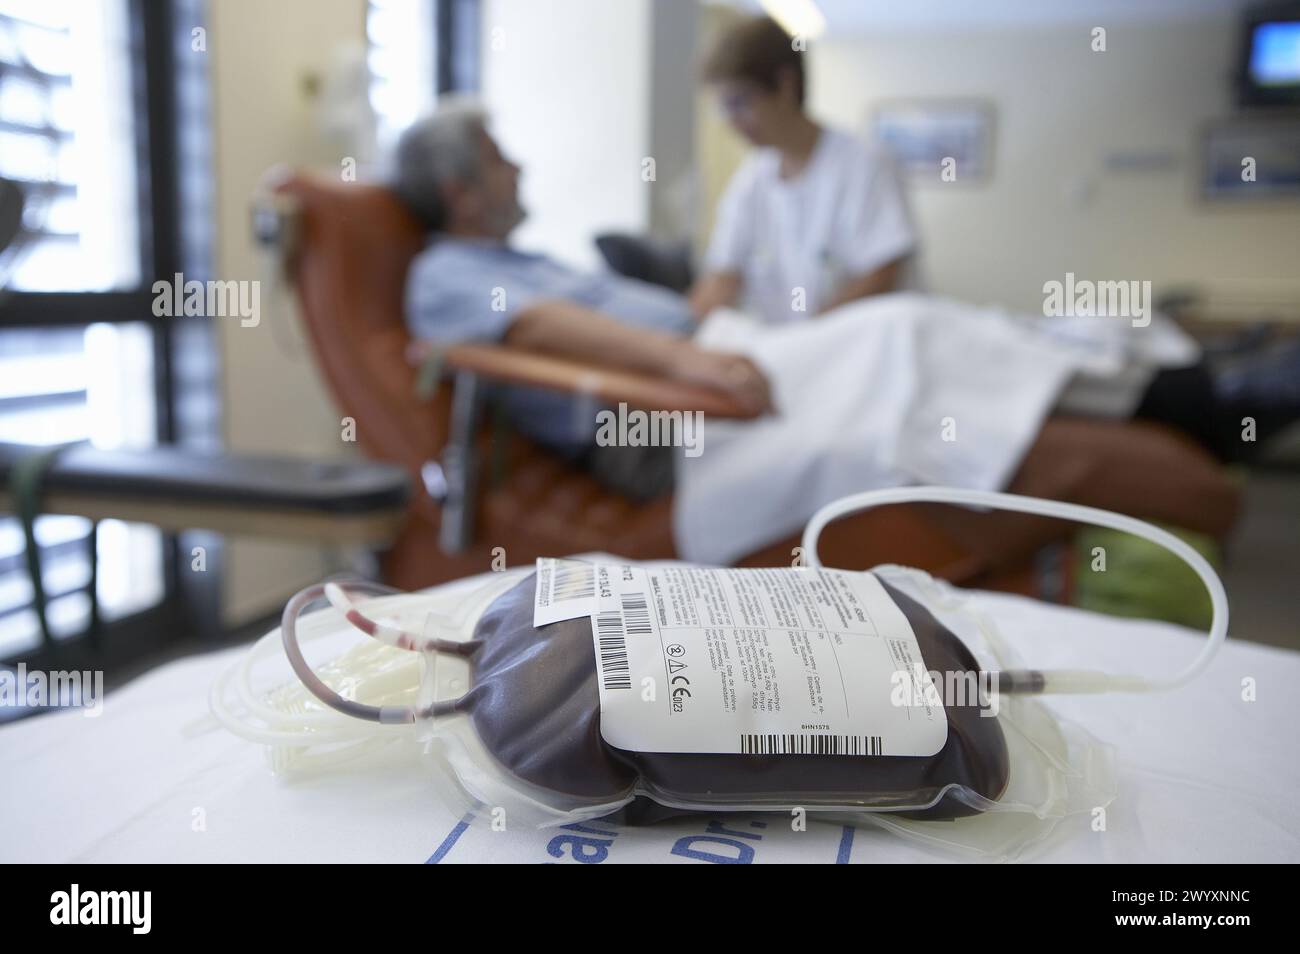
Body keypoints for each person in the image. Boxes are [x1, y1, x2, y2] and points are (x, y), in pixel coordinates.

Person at [393, 103, 1298, 505]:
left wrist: (704, 343)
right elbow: (535, 329)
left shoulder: (510, 252)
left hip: (714, 363)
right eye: (500, 154)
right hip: (671, 417)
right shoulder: (445, 273)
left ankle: (1189, 386)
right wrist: (688, 359)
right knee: (907, 333)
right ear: (462, 189)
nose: (520, 166)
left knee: (930, 331)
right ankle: (1205, 402)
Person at [690, 15, 917, 325]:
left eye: (739, 101)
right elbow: (722, 278)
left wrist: (809, 339)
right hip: (796, 354)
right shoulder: (751, 181)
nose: (731, 121)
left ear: (785, 85)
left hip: (866, 351)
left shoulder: (864, 164)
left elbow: (882, 273)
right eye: (723, 107)